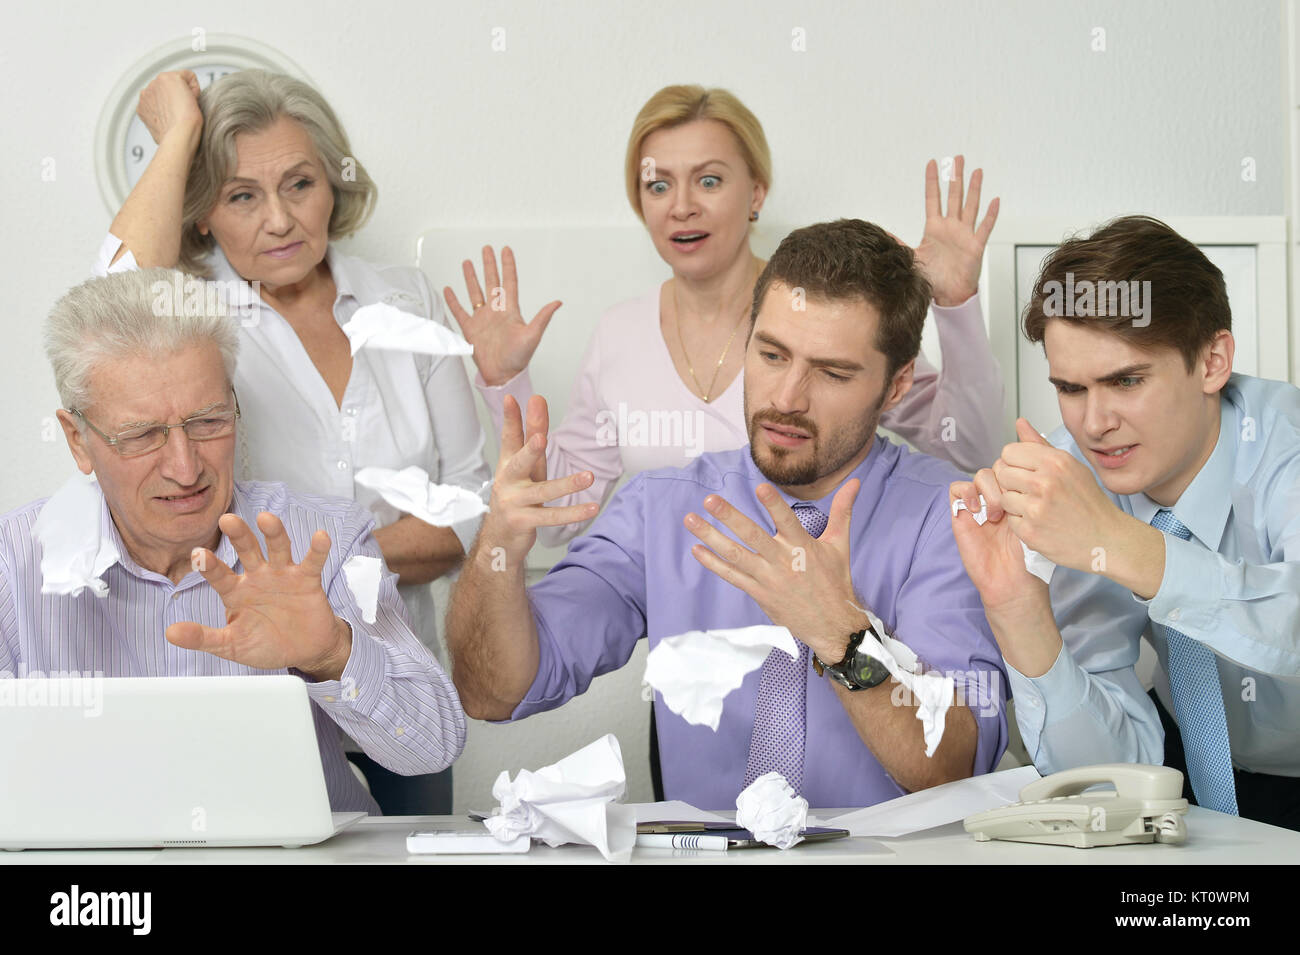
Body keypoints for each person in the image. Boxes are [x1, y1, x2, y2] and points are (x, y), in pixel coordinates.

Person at [446, 218, 1008, 810]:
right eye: (771, 354)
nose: (786, 398)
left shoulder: (951, 517)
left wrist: (842, 638)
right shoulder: (660, 509)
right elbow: (493, 693)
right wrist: (496, 547)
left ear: (896, 388)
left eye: (833, 372)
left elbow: (955, 767)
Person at [93, 69, 490, 813]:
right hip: (252, 689)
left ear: (333, 187)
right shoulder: (193, 316)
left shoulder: (407, 300)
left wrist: (328, 568)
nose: (279, 219)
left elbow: (469, 505)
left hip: (395, 678)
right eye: (242, 195)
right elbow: (108, 303)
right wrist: (177, 131)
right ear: (202, 215)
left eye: (300, 184)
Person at [446, 85, 1004, 553]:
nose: (681, 205)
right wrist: (504, 382)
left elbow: (967, 454)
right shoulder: (619, 333)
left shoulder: (828, 316)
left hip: (830, 638)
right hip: (688, 653)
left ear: (756, 192)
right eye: (657, 184)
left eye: (709, 180)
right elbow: (562, 517)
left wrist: (955, 305)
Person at [0, 268, 465, 815]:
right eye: (143, 435)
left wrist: (332, 655)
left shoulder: (323, 540)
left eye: (208, 422)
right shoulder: (13, 562)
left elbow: (432, 747)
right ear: (79, 440)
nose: (184, 466)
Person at [950, 215, 1300, 831]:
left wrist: (1123, 547)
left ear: (1213, 361)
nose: (1094, 424)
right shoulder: (1075, 474)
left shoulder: (1286, 448)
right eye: (1070, 387)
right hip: (1201, 780)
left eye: (1126, 380)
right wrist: (1018, 611)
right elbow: (1113, 776)